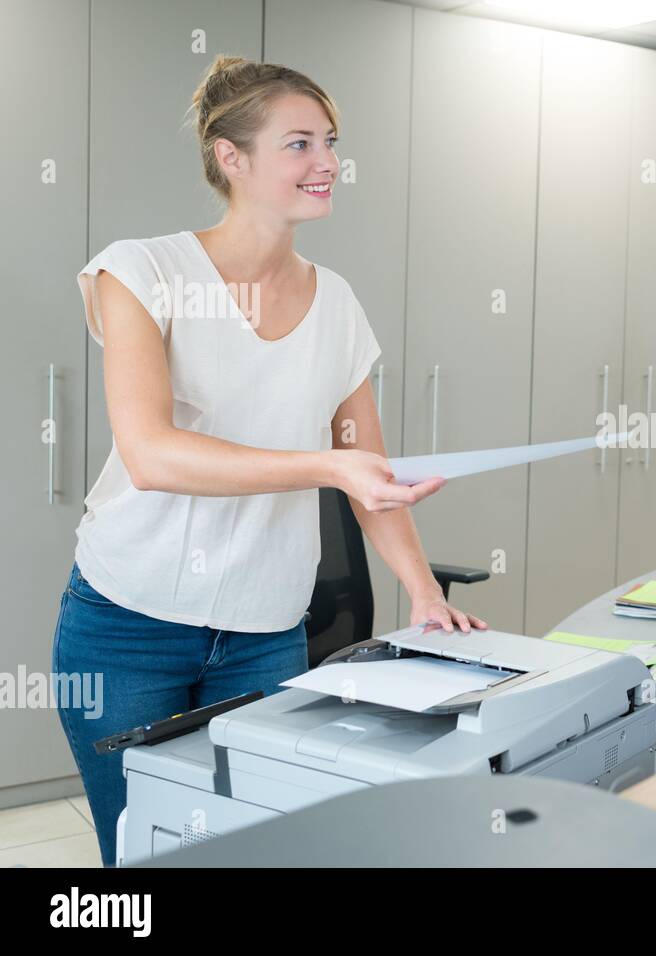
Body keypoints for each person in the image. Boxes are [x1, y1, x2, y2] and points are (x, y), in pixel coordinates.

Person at [53, 55, 485, 867]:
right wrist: (327, 465)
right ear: (231, 157)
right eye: (299, 143)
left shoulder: (339, 304)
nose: (327, 162)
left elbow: (370, 476)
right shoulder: (141, 271)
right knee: (143, 853)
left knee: (248, 851)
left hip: (264, 631)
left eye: (331, 141)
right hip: (128, 624)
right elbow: (152, 454)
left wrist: (425, 594)